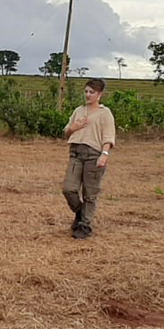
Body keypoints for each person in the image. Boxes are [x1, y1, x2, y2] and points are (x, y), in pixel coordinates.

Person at [62, 79, 116, 239]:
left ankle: (85, 225)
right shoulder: (79, 110)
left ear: (99, 94)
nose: (87, 95)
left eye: (91, 92)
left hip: (94, 154)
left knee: (90, 193)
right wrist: (74, 128)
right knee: (68, 188)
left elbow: (108, 137)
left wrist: (104, 155)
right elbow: (66, 131)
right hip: (76, 153)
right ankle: (80, 212)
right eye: (86, 91)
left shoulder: (105, 113)